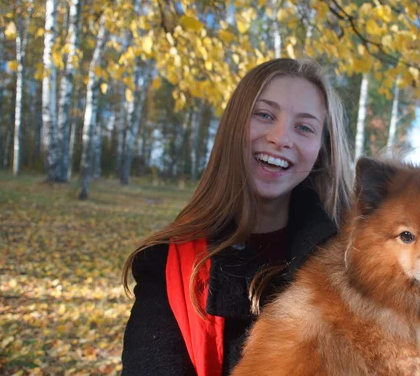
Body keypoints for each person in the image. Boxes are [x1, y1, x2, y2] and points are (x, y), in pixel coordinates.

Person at [121, 58, 353, 375]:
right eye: (264, 115)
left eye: (304, 127)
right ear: (235, 124)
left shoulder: (352, 264)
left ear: (322, 149)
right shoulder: (169, 264)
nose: (280, 138)